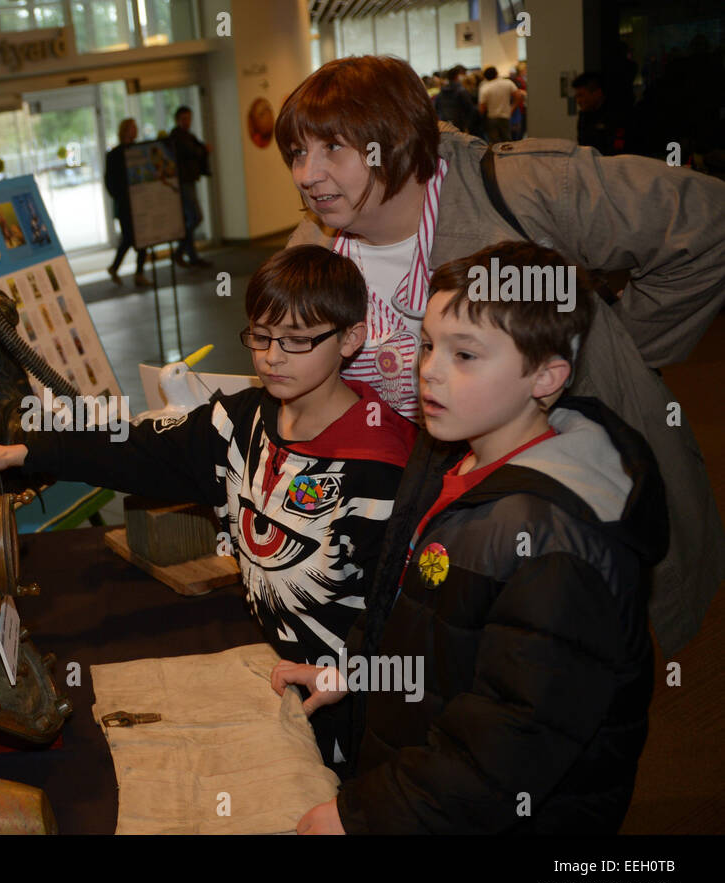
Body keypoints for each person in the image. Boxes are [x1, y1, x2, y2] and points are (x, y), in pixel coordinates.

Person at [277, 53, 725, 657]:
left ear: (396, 139)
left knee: (572, 684)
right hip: (436, 522)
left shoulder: (523, 190)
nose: (307, 174)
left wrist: (620, 344)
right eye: (297, 154)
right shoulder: (313, 249)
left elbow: (706, 223)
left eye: (332, 148)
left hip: (566, 513)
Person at [0, 245, 416, 766]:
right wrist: (26, 453)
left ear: (351, 338)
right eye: (260, 336)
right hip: (274, 680)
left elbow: (402, 617)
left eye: (296, 340)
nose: (272, 357)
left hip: (347, 709)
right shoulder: (238, 422)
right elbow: (138, 449)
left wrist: (353, 674)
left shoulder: (380, 467)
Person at [284, 242, 666, 834]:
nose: (429, 369)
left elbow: (510, 742)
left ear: (546, 376)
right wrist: (358, 672)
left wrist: (367, 816)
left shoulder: (556, 546)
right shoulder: (448, 460)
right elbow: (414, 609)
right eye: (430, 344)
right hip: (419, 768)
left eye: (466, 355)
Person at [104, 118, 150, 286]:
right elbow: (110, 181)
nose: (134, 130)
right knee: (129, 237)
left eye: (135, 127)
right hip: (125, 204)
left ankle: (136, 272)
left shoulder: (140, 150)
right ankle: (117, 268)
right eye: (131, 127)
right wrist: (120, 195)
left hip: (140, 200)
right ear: (124, 130)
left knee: (143, 237)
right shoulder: (114, 154)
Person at [168, 105, 213, 268]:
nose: (187, 122)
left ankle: (187, 254)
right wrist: (203, 150)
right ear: (178, 120)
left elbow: (197, 150)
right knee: (195, 217)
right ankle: (182, 251)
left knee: (192, 218)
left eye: (189, 118)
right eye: (184, 119)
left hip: (188, 181)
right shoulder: (178, 137)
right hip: (183, 182)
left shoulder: (187, 136)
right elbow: (193, 152)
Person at [572, 72, 627, 155]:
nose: (578, 101)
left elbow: (618, 149)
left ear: (597, 93)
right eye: (576, 96)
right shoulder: (583, 116)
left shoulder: (616, 115)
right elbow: (582, 146)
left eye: (581, 95)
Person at [477, 66, 520, 144]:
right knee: (507, 140)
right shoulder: (507, 83)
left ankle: (497, 156)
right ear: (497, 73)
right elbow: (518, 96)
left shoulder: (484, 88)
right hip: (505, 116)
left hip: (491, 117)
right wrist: (512, 108)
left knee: (495, 143)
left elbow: (481, 108)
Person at [433, 66, 477, 134]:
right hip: (460, 124)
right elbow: (470, 108)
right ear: (457, 76)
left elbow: (436, 108)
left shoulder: (441, 92)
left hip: (445, 124)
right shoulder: (461, 91)